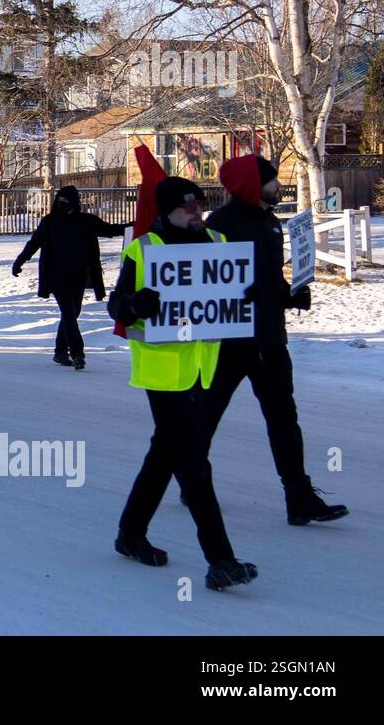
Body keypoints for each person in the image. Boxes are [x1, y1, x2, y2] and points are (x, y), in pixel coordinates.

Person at [108, 177, 258, 591]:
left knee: (164, 455)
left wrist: (251, 295)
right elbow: (116, 306)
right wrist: (136, 305)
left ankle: (130, 533)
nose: (197, 211)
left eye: (200, 203)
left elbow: (234, 291)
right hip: (163, 373)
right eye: (188, 205)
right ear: (167, 210)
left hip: (202, 369)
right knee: (194, 465)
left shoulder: (218, 241)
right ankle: (221, 560)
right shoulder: (145, 249)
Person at [204, 155, 348, 526]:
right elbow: (208, 283)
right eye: (270, 180)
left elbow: (269, 280)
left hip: (269, 338)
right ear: (254, 184)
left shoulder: (270, 223)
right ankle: (192, 481)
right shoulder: (220, 224)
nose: (277, 185)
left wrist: (291, 296)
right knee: (205, 416)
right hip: (230, 341)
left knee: (284, 419)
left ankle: (299, 497)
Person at [12, 185, 130, 370]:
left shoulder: (85, 221)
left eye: (66, 201)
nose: (62, 204)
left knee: (72, 314)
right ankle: (77, 353)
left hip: (79, 275)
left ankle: (60, 351)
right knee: (68, 313)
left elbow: (110, 230)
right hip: (56, 276)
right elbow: (34, 243)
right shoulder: (49, 222)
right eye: (60, 200)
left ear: (75, 202)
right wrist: (19, 261)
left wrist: (136, 226)